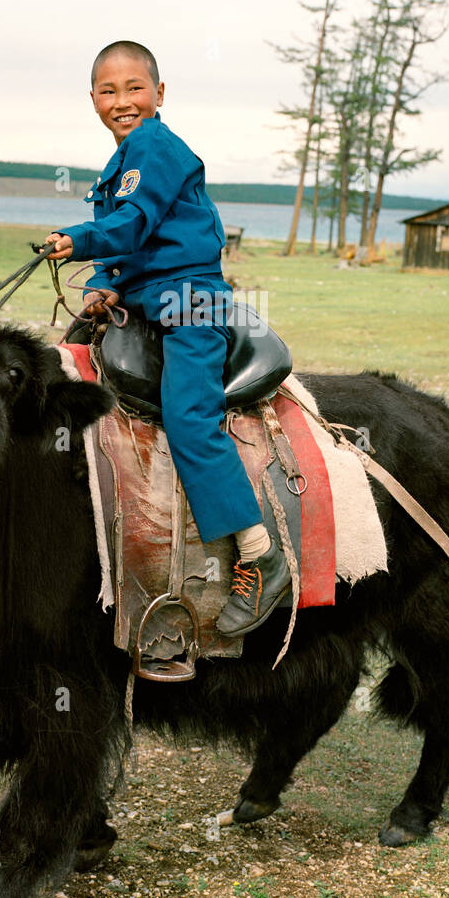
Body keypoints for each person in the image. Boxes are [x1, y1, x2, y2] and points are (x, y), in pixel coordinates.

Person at [44, 40, 290, 637]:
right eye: (108, 90)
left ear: (159, 93)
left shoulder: (154, 145)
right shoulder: (122, 160)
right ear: (93, 100)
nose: (122, 101)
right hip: (148, 303)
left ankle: (260, 553)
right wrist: (103, 282)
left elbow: (131, 221)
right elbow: (123, 238)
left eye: (134, 88)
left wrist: (79, 241)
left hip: (190, 304)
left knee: (188, 416)